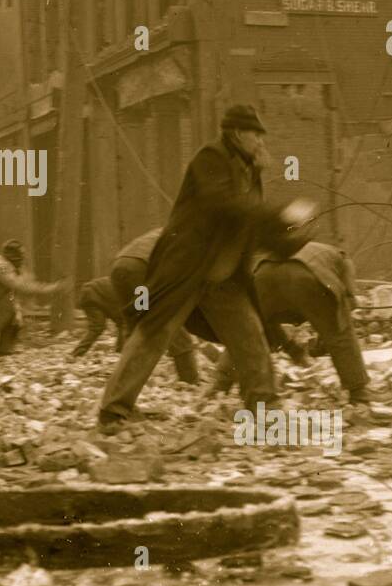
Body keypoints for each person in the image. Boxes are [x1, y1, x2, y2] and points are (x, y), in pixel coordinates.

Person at [97, 104, 304, 429]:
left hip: (224, 275)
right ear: (237, 133)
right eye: (256, 135)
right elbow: (223, 205)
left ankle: (265, 407)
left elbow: (252, 225)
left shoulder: (250, 172)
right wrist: (279, 214)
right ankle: (113, 411)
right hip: (188, 270)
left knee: (249, 334)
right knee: (155, 333)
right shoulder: (211, 158)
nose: (261, 142)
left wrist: (290, 238)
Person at [210, 240, 370, 404]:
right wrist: (325, 339)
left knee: (248, 332)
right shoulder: (343, 258)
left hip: (265, 275)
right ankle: (359, 394)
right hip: (306, 276)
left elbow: (269, 325)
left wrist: (293, 349)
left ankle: (219, 387)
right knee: (341, 333)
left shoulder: (309, 248)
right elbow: (347, 305)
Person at [110, 228, 202, 384]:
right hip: (141, 269)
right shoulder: (189, 234)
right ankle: (190, 379)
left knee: (135, 322)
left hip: (119, 266)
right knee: (169, 321)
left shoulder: (168, 230)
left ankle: (123, 378)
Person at [72, 276, 126, 357]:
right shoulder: (138, 288)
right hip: (94, 294)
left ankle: (120, 352)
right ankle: (76, 354)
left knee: (120, 323)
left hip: (92, 292)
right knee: (99, 327)